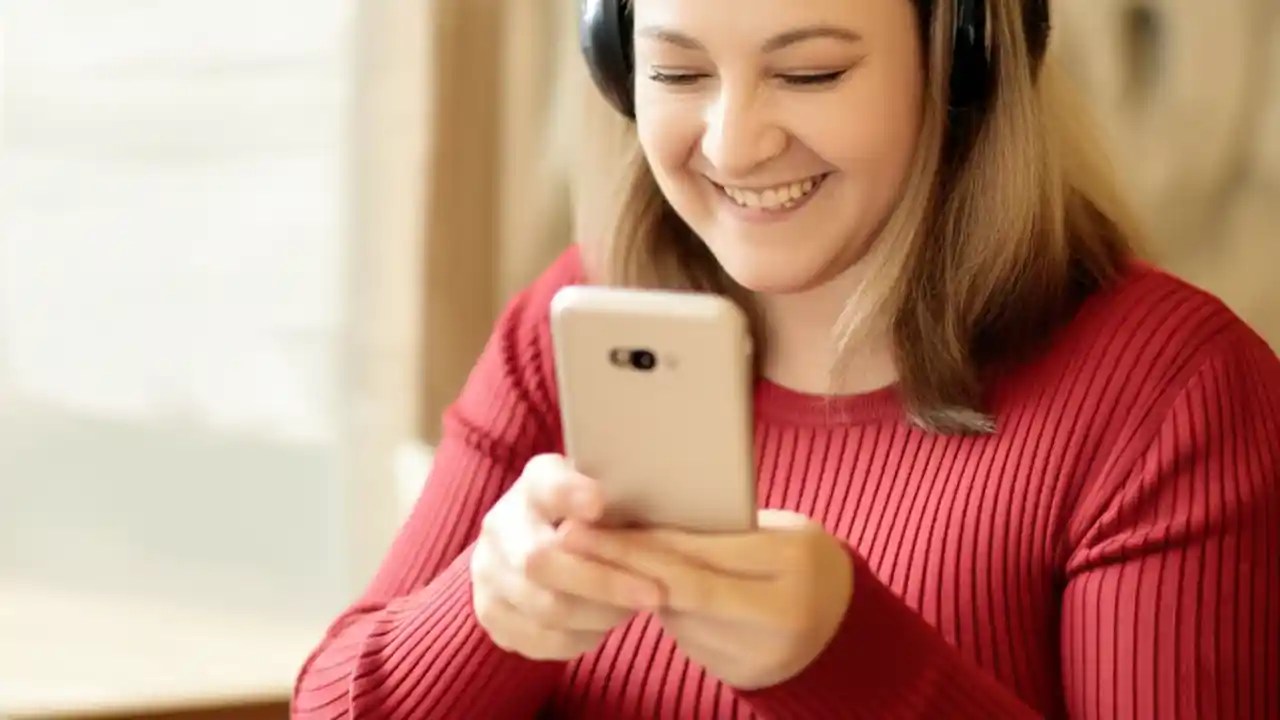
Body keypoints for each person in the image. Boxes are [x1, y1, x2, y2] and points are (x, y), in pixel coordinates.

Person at [293, 0, 1280, 717]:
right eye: (677, 74)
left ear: (963, 58)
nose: (733, 142)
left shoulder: (1175, 397)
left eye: (808, 72)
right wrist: (481, 614)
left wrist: (848, 661)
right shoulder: (573, 319)